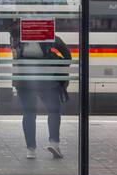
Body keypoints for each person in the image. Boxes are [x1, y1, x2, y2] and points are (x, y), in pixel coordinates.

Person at [9, 19, 71, 160]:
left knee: (28, 113)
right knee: (54, 109)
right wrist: (57, 65)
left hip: (23, 80)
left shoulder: (16, 36)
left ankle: (31, 150)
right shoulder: (47, 33)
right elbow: (67, 54)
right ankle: (54, 144)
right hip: (46, 80)